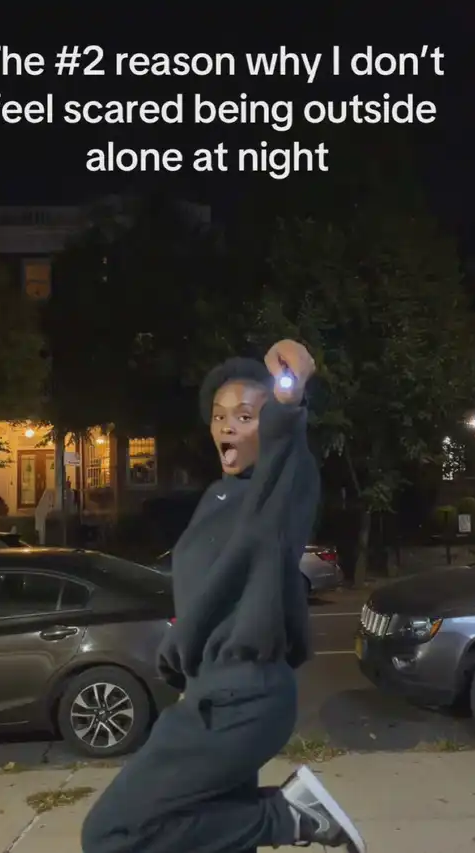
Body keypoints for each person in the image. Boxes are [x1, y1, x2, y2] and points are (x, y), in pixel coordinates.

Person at [81, 340, 366, 853]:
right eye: (219, 416)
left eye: (245, 416)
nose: (227, 427)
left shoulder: (279, 493)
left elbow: (289, 449)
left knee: (112, 833)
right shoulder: (218, 496)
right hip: (212, 692)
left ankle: (292, 817)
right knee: (218, 838)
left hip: (243, 697)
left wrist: (289, 397)